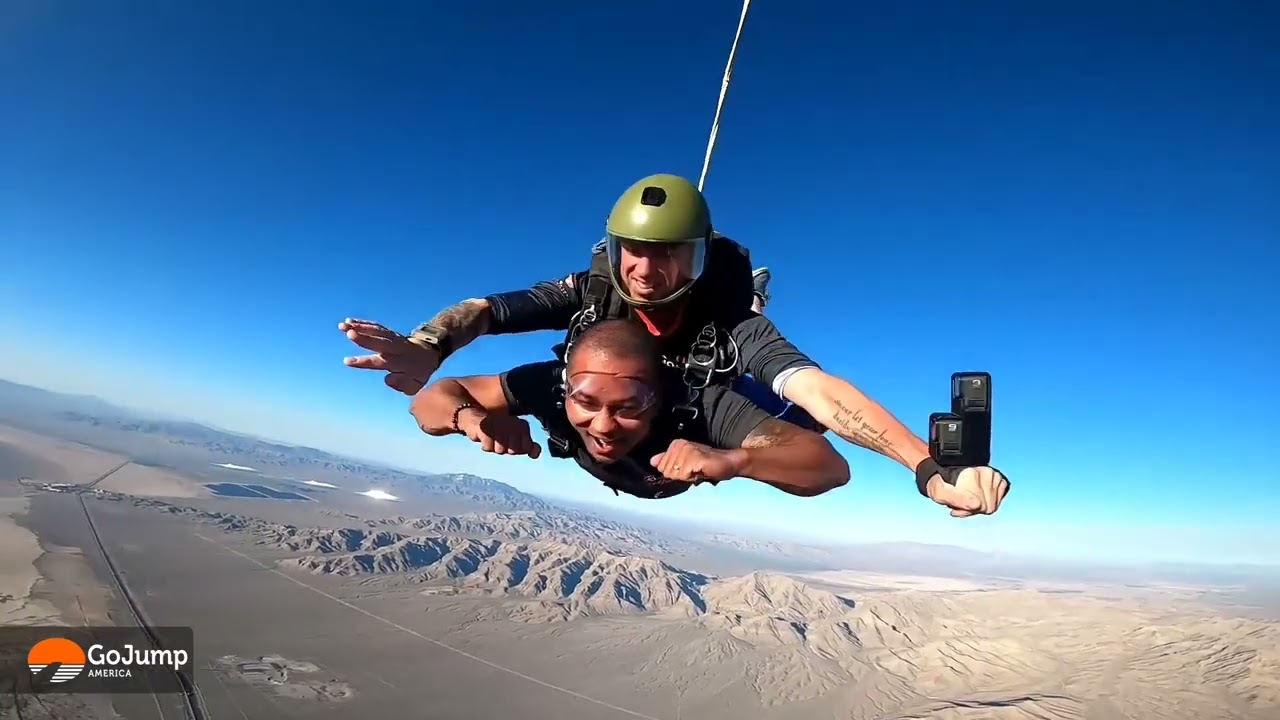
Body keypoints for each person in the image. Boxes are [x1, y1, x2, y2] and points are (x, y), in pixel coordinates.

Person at [341, 173, 1009, 518]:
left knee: (782, 405)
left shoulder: (709, 376)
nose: (644, 270)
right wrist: (437, 358)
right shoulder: (583, 328)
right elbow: (491, 313)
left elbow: (821, 400)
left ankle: (751, 297)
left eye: (668, 255)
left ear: (697, 260)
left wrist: (928, 472)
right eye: (632, 250)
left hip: (705, 384)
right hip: (619, 385)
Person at [409, 318, 850, 499]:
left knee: (803, 416)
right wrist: (471, 419)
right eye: (584, 401)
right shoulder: (546, 384)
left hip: (705, 427)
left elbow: (829, 467)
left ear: (658, 396)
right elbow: (429, 401)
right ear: (566, 387)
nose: (603, 425)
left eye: (629, 406)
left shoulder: (699, 404)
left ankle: (748, 309)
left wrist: (735, 459)